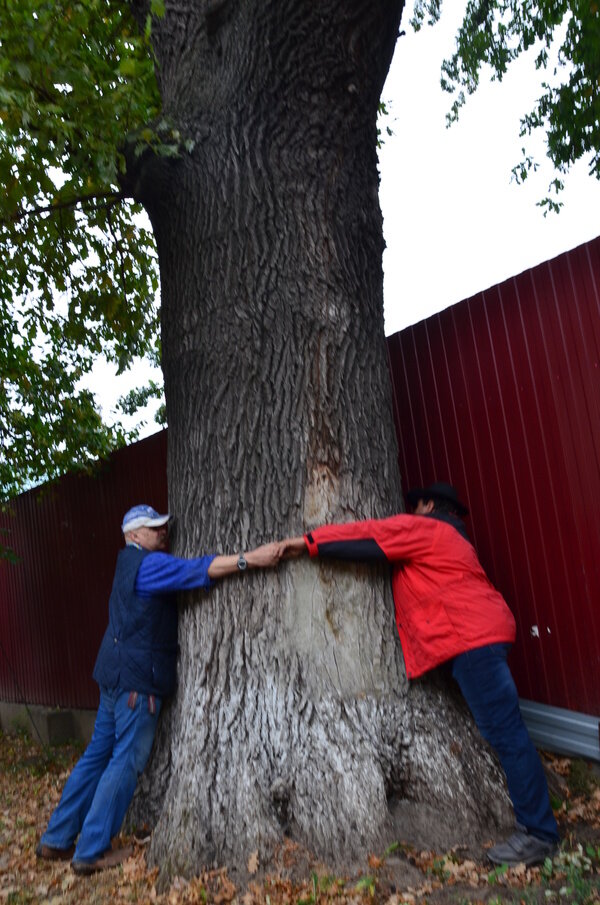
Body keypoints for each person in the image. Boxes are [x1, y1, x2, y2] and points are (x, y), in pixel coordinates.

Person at [280, 481, 559, 866]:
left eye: (417, 505)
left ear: (429, 506)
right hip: (480, 637)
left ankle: (539, 835)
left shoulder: (428, 530)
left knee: (507, 735)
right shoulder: (456, 539)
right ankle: (538, 829)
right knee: (506, 732)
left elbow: (372, 537)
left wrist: (308, 542)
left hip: (472, 641)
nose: (412, 512)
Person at [37, 504, 281, 875]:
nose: (162, 531)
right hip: (137, 684)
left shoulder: (125, 564)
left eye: (163, 525)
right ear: (134, 535)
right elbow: (200, 569)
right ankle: (89, 851)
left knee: (96, 757)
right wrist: (251, 559)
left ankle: (56, 839)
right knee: (125, 761)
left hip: (114, 677)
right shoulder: (149, 565)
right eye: (153, 528)